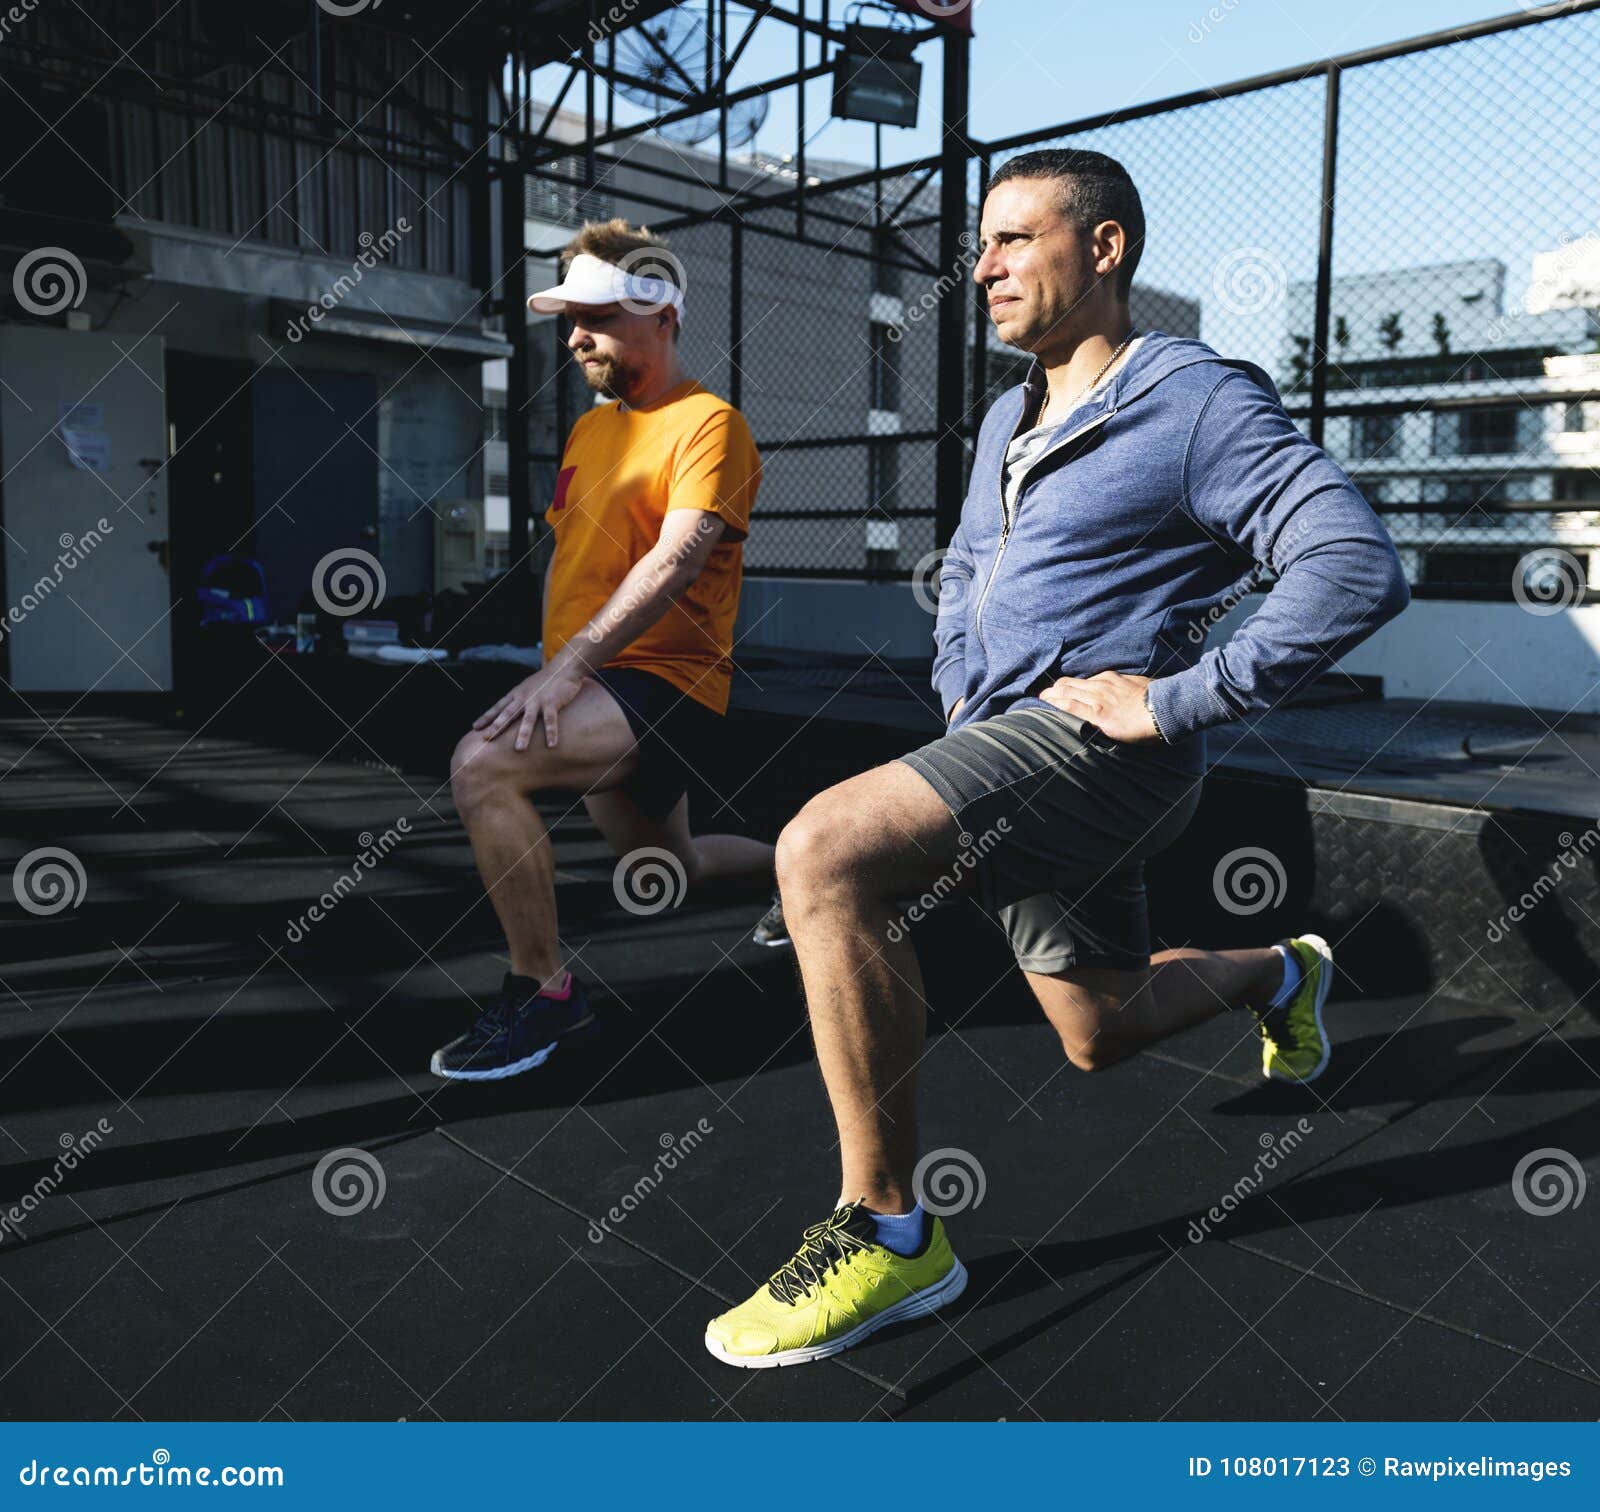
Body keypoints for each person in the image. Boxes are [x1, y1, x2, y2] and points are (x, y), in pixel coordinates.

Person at [703, 149, 1410, 1367]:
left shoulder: (1192, 400)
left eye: (1014, 240)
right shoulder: (1004, 416)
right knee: (1099, 1027)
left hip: (1098, 751)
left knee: (824, 851)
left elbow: (1353, 563)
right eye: (980, 245)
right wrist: (955, 701)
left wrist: (1183, 697)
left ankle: (889, 1234)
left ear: (1105, 248)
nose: (982, 268)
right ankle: (1279, 974)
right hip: (1008, 752)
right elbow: (969, 576)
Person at [431, 219, 773, 1081]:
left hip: (663, 680)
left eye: (595, 315)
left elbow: (678, 555)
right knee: (671, 866)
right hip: (590, 679)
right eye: (570, 318)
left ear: (659, 314)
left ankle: (545, 997)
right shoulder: (590, 432)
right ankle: (806, 871)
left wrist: (567, 669)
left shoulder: (712, 424)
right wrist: (549, 662)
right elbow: (568, 559)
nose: (575, 334)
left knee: (481, 767)